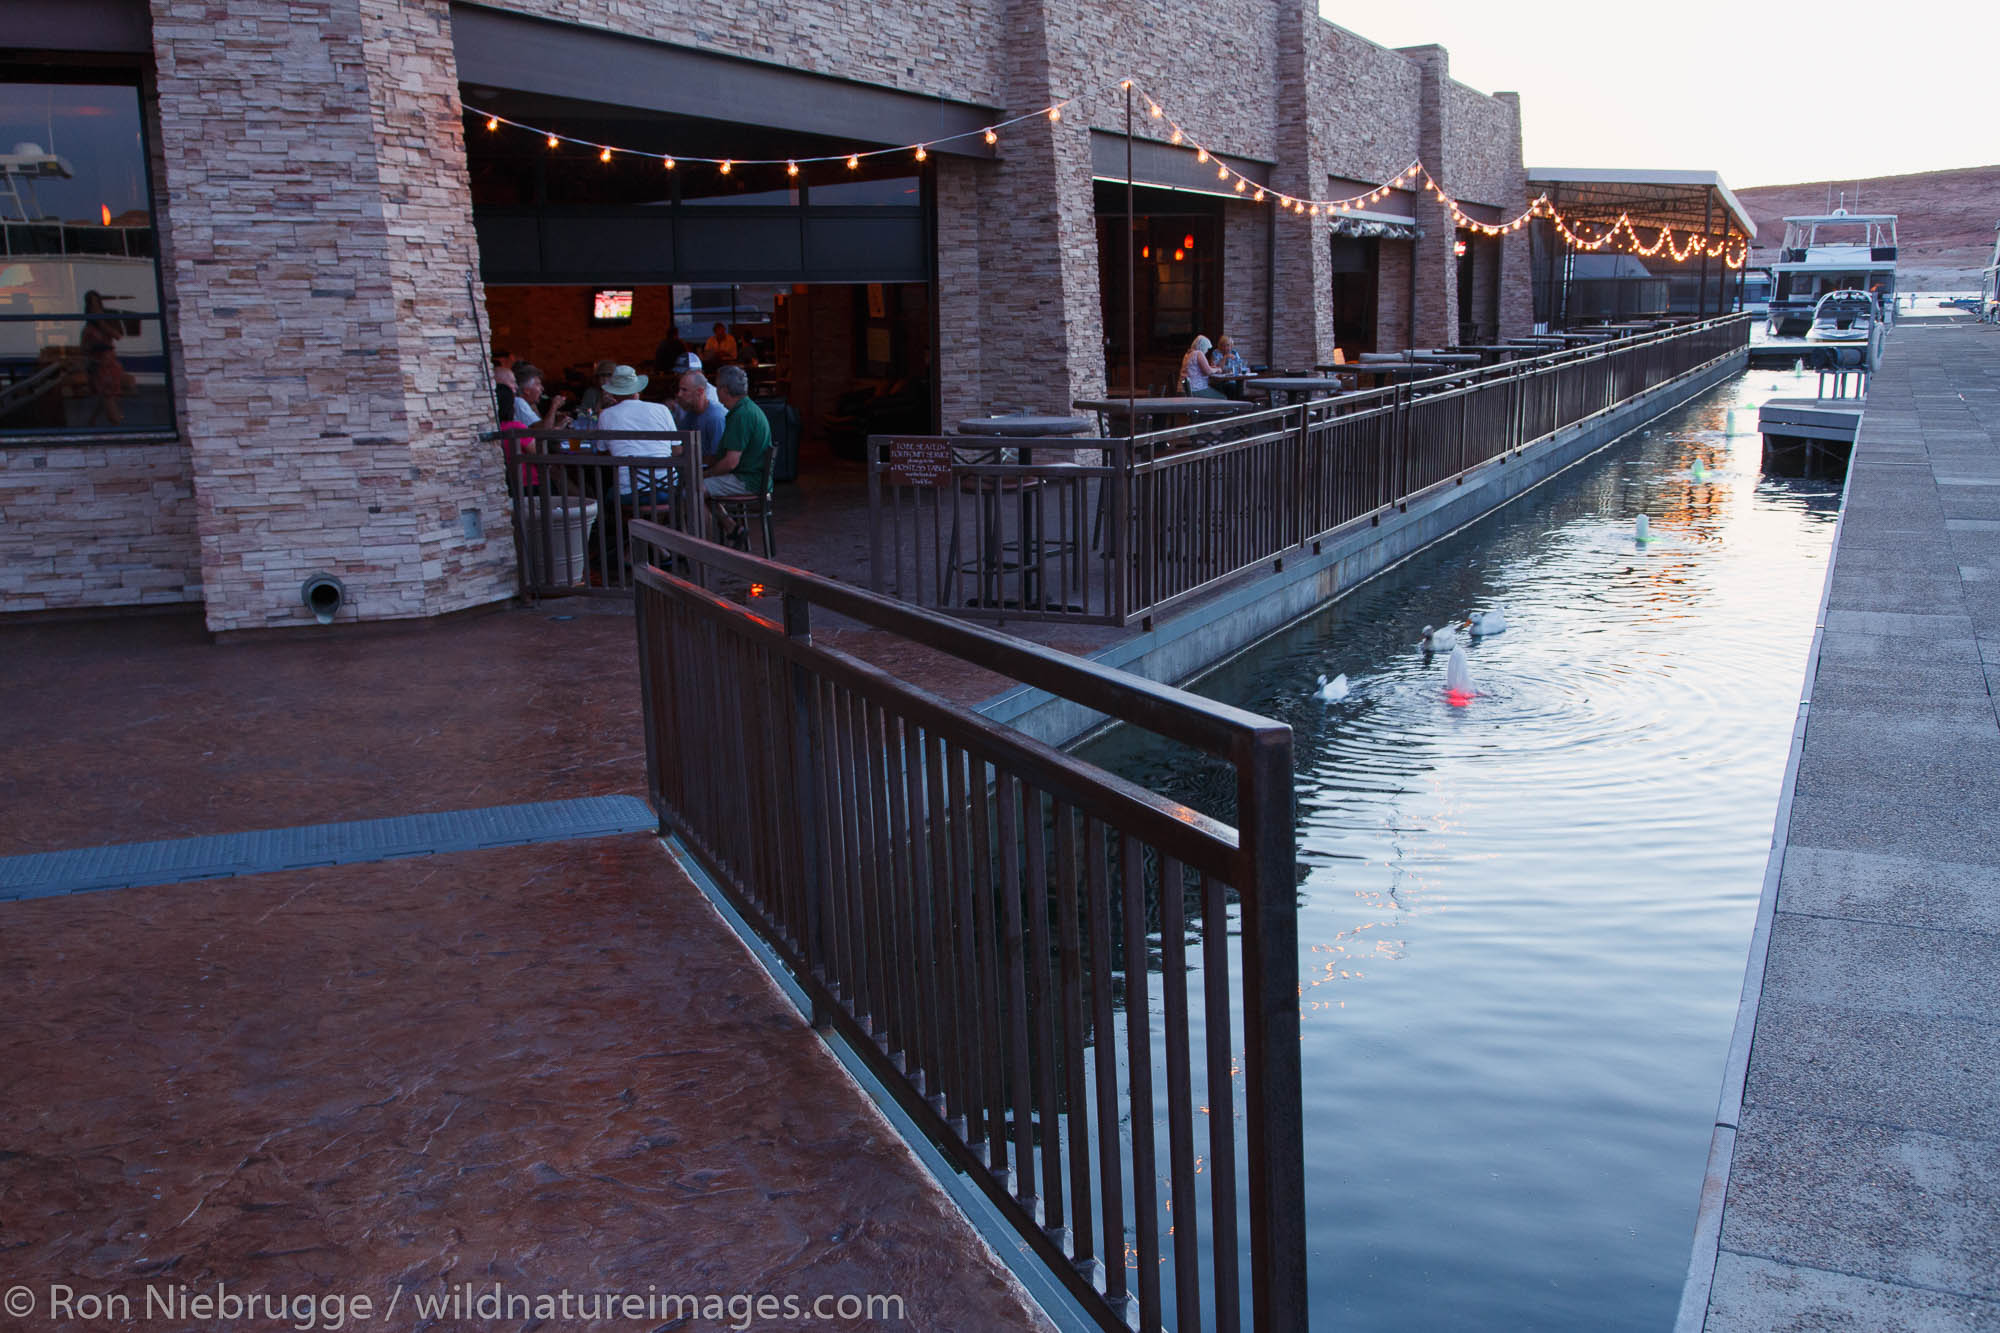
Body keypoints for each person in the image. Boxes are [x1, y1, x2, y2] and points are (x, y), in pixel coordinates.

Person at [705, 363, 771, 548]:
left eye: (717, 387)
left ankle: (706, 548)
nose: (716, 391)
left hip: (747, 480)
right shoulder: (747, 408)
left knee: (695, 489)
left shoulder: (741, 415)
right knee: (702, 488)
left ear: (724, 390)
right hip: (753, 477)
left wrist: (707, 474)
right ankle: (733, 529)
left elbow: (731, 462)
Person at [596, 365, 682, 500]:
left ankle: (629, 521)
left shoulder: (606, 415)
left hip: (630, 492)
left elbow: (602, 453)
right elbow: (676, 450)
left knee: (606, 498)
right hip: (669, 487)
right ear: (638, 389)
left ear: (613, 393)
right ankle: (657, 520)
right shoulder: (662, 410)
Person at [80, 291, 131, 425]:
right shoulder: (88, 329)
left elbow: (117, 336)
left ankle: (92, 421)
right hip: (99, 366)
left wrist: (102, 323)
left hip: (110, 365)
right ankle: (116, 422)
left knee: (108, 395)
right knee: (107, 395)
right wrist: (92, 350)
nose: (96, 309)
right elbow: (83, 348)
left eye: (98, 305)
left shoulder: (106, 323)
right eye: (93, 306)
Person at [673, 369, 729, 462]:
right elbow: (679, 446)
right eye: (679, 389)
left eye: (684, 390)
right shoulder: (691, 414)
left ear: (699, 392)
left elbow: (718, 457)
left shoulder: (716, 417)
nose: (679, 394)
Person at [1180, 334, 1227, 399]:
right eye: (1207, 348)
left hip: (1183, 390)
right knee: (1223, 398)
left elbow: (1198, 369)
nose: (1207, 351)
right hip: (1195, 390)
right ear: (1203, 346)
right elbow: (1208, 372)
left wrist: (1211, 368)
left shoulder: (1188, 354)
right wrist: (1217, 369)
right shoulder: (1198, 353)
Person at [1211, 334, 1251, 399]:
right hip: (1219, 381)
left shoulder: (1234, 352)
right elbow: (1217, 369)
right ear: (1219, 346)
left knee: (1238, 385)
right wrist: (1225, 358)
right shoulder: (1215, 353)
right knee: (1231, 387)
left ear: (1232, 346)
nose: (1225, 347)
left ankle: (1239, 405)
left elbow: (1240, 366)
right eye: (1223, 345)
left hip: (1232, 379)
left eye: (1228, 345)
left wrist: (1244, 368)